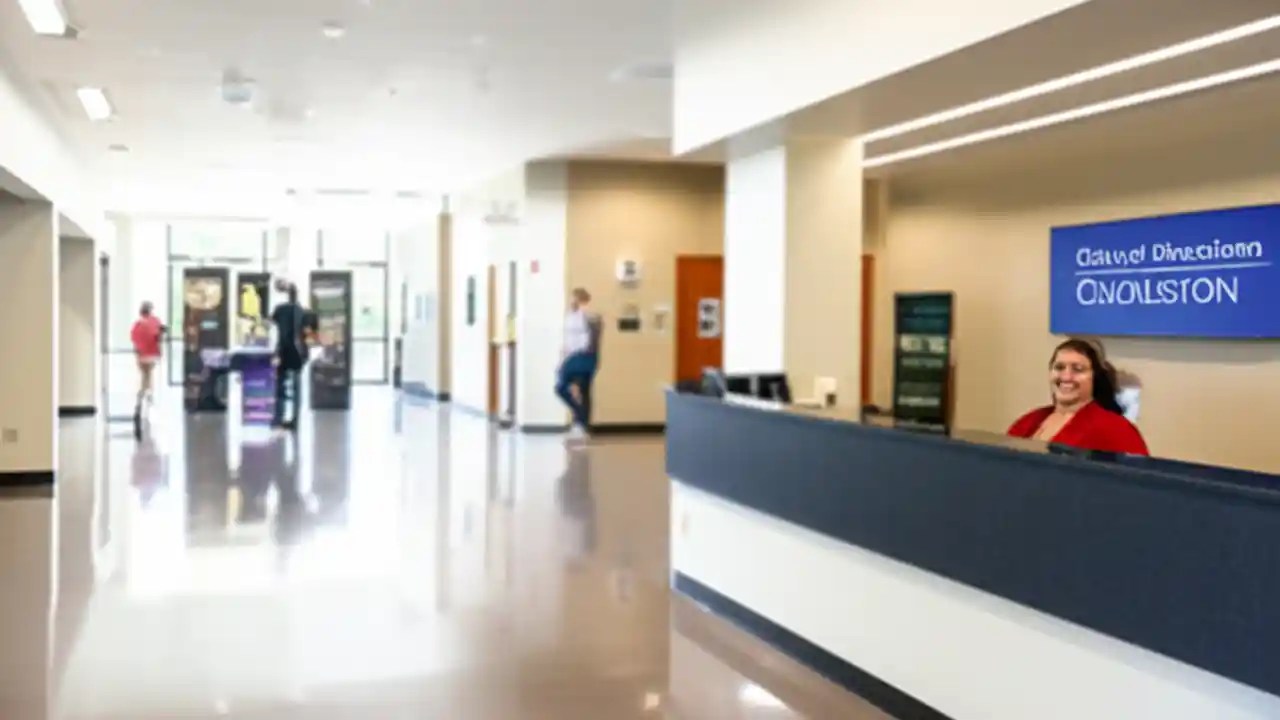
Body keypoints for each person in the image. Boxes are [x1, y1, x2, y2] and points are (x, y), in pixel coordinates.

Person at [1007, 337, 1149, 455]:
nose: (1066, 376)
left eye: (1078, 369)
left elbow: (1141, 483)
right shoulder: (1028, 421)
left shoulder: (1117, 430)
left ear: (1094, 378)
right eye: (1059, 367)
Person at [555, 288, 602, 444]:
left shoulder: (591, 318)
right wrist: (561, 359)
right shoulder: (569, 317)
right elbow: (566, 341)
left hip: (584, 358)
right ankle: (580, 421)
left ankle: (582, 425)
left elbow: (594, 340)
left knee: (582, 390)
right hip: (571, 358)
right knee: (563, 388)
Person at [270, 283, 308, 431]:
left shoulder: (280, 310)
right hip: (298, 352)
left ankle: (278, 418)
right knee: (297, 388)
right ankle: (295, 421)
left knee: (280, 386)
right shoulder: (301, 311)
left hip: (284, 350)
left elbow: (273, 325)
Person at [130, 301, 165, 413]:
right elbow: (159, 336)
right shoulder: (155, 322)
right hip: (152, 353)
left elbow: (133, 338)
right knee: (149, 373)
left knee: (144, 373)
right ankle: (147, 392)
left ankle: (143, 391)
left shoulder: (137, 324)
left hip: (141, 353)